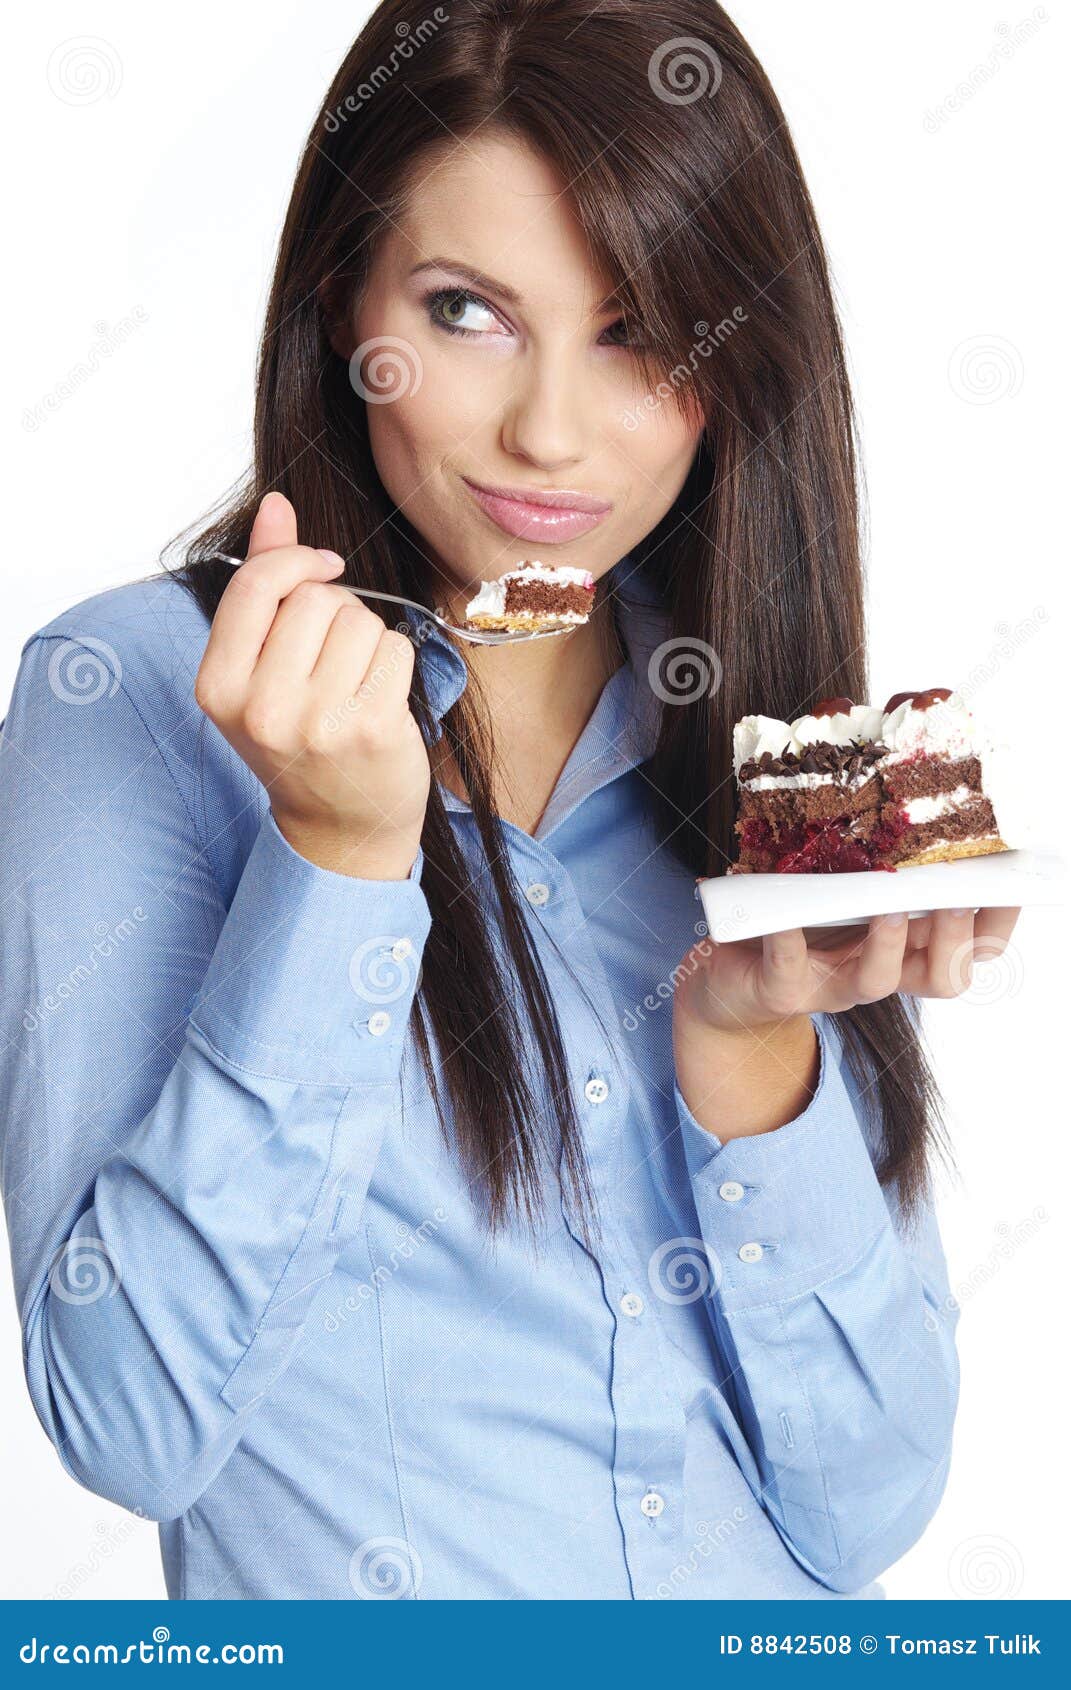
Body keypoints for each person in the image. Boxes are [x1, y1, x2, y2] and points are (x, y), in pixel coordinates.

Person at [0, 0, 1018, 1600]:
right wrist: (337, 859)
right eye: (468, 310)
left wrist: (752, 1045)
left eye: (643, 332)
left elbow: (866, 1506)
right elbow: (128, 1419)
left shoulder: (767, 749)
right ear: (344, 301)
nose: (550, 430)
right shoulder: (125, 700)